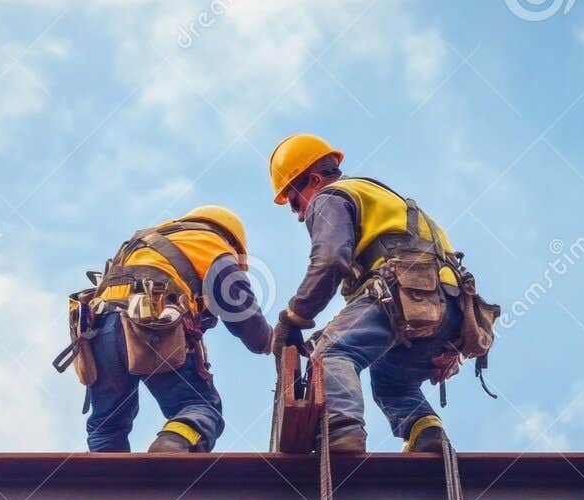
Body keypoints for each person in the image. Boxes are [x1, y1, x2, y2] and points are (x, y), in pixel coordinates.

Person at [267, 133, 468, 454]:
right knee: (393, 382)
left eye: (294, 203)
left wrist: (294, 318)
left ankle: (342, 431)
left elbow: (331, 259)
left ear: (314, 180)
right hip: (450, 311)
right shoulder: (382, 199)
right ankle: (427, 435)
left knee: (332, 353)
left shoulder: (330, 197)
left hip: (403, 293)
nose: (300, 215)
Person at [72, 206, 271, 453]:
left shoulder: (147, 242)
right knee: (199, 406)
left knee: (107, 424)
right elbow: (239, 310)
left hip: (98, 329)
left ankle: (108, 483)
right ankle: (171, 445)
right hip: (153, 325)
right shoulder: (211, 244)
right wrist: (270, 340)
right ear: (232, 240)